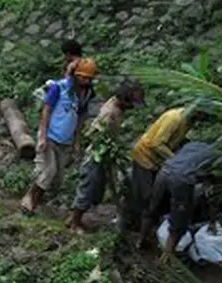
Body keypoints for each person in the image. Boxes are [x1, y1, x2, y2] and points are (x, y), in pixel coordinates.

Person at [123, 102, 209, 243]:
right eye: (203, 116)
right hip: (145, 157)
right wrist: (175, 159)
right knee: (145, 197)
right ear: (198, 111)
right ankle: (132, 226)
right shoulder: (174, 118)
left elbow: (175, 139)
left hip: (158, 162)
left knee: (154, 197)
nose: (203, 120)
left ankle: (144, 229)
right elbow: (156, 143)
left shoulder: (187, 121)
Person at [21, 57, 98, 214]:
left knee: (58, 177)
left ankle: (38, 200)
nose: (85, 80)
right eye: (82, 77)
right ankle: (29, 199)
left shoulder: (87, 94)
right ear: (75, 75)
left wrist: (76, 142)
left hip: (66, 139)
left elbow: (81, 118)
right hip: (50, 135)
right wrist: (42, 136)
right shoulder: (59, 87)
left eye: (88, 78)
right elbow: (47, 110)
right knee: (48, 171)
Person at [68, 79, 144, 231]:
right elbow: (96, 135)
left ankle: (73, 218)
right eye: (131, 104)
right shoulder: (109, 113)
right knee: (88, 188)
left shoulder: (117, 107)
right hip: (96, 154)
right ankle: (74, 223)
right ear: (123, 100)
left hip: (104, 154)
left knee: (96, 189)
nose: (131, 108)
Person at [143, 140, 220, 254]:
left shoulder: (194, 144)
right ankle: (166, 258)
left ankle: (140, 241)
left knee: (151, 209)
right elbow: (213, 194)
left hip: (164, 171)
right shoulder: (218, 159)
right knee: (178, 224)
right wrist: (213, 221)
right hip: (181, 180)